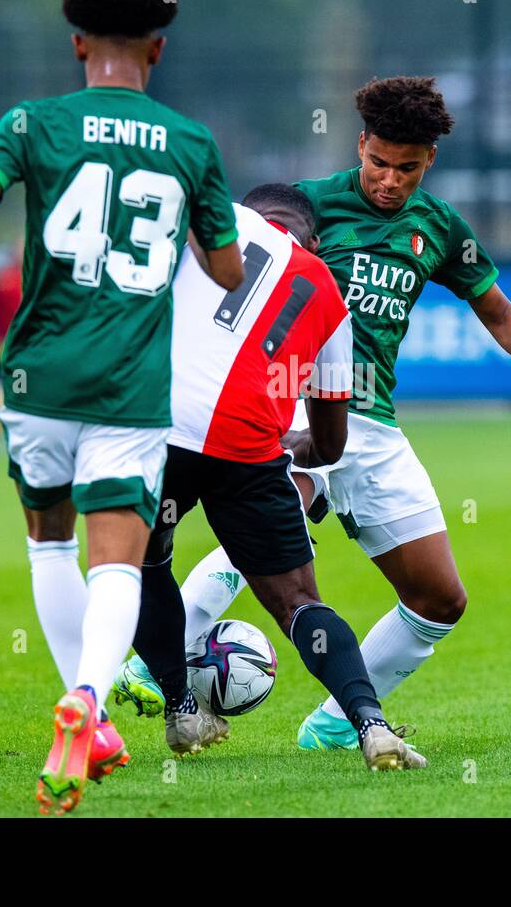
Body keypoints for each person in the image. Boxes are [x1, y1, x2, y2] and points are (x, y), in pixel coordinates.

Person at [117, 76, 511, 751]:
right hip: (288, 408)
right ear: (360, 143)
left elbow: (497, 308)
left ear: (429, 162)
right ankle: (154, 664)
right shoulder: (304, 206)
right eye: (378, 162)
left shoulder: (440, 228)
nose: (390, 181)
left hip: (370, 421)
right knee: (280, 527)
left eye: (407, 169)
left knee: (440, 598)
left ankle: (335, 724)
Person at [0, 0, 244, 815]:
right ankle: (89, 705)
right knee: (121, 559)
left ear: (76, 43)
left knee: (47, 543)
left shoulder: (32, 121)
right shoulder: (191, 142)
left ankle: (82, 707)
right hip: (129, 388)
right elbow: (225, 268)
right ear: (158, 48)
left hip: (37, 379)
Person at [119, 184, 425, 770]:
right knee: (298, 602)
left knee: (145, 561)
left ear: (250, 213)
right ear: (313, 242)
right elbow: (330, 440)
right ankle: (372, 726)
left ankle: (182, 709)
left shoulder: (220, 219)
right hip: (247, 448)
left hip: (161, 424)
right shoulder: (328, 294)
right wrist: (294, 444)